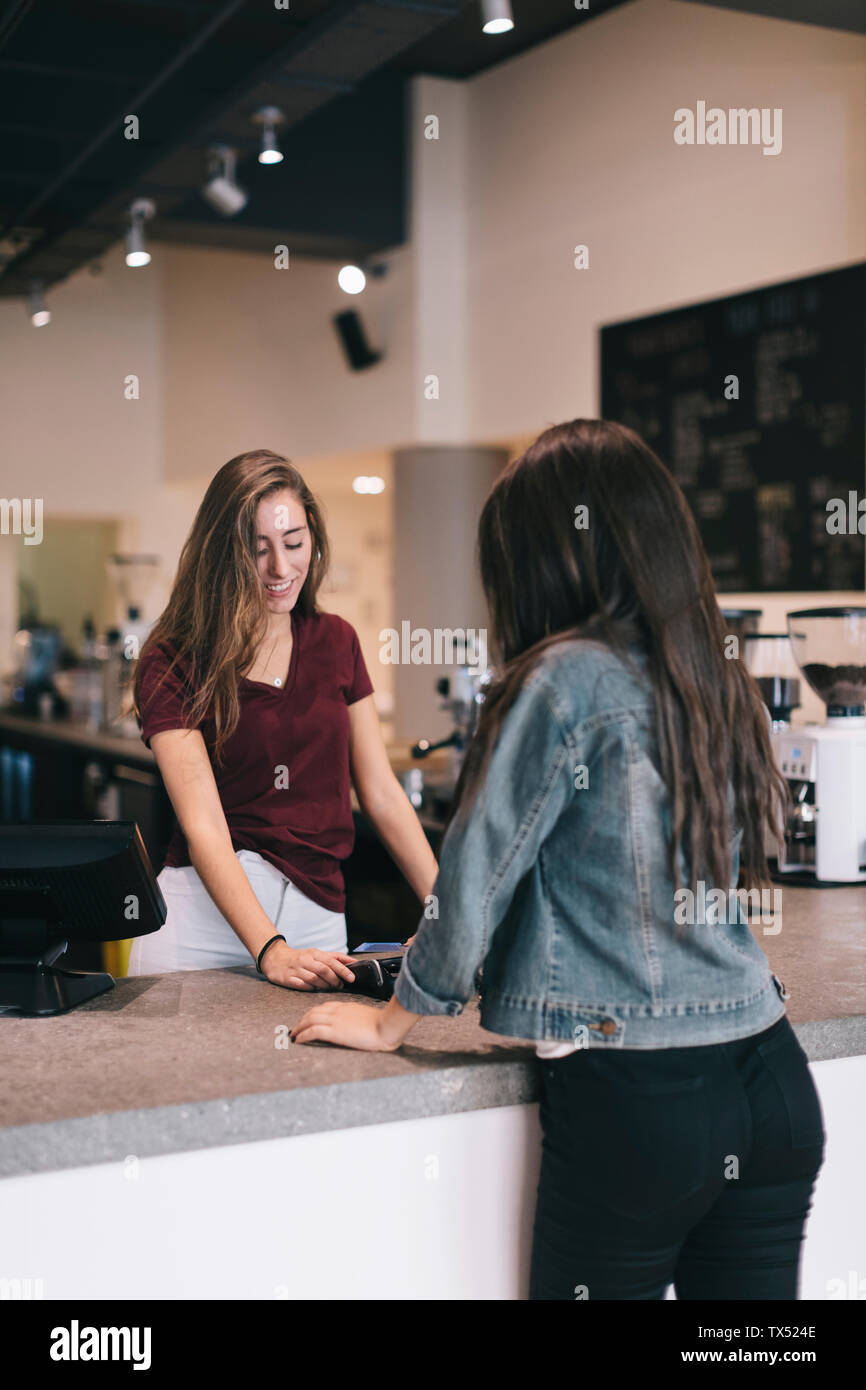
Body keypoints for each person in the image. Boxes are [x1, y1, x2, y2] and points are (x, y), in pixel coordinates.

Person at [291, 418, 826, 1300]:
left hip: (640, 1096)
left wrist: (397, 1019)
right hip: (768, 1078)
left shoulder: (562, 679)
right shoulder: (711, 673)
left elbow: (475, 879)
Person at [128, 449, 437, 988]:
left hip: (318, 919)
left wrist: (446, 910)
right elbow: (203, 825)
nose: (280, 568)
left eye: (294, 543)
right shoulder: (173, 658)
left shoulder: (336, 641)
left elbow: (381, 792)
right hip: (203, 921)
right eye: (258, 549)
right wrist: (268, 947)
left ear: (312, 536)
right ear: (224, 551)